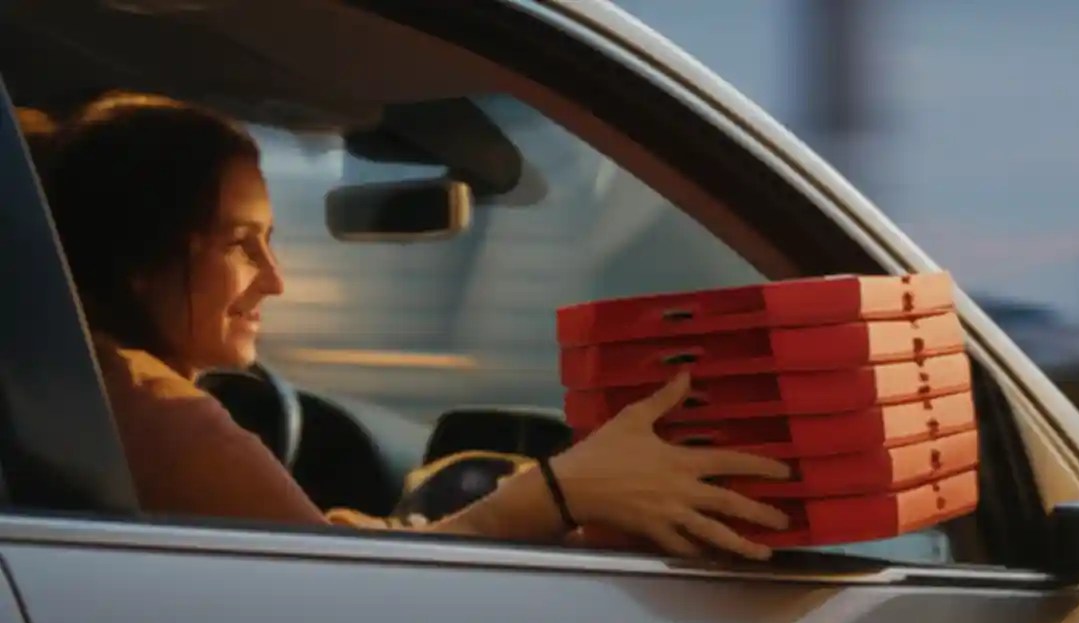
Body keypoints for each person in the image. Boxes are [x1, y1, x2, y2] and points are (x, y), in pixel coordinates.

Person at [46, 92, 793, 560]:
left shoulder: (93, 384)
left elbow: (299, 551)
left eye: (273, 241)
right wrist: (564, 493)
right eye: (241, 244)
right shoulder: (159, 415)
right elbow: (341, 599)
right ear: (141, 257)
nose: (276, 281)